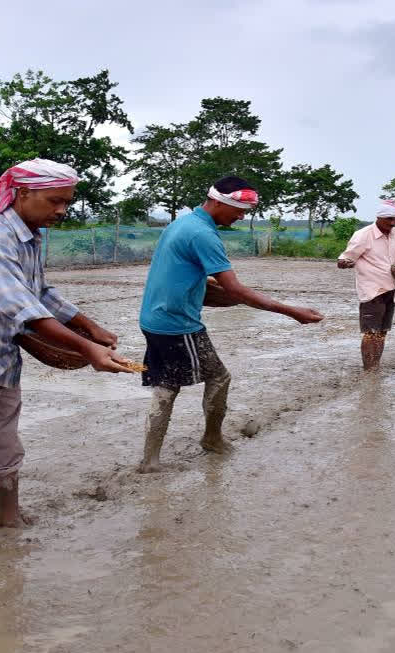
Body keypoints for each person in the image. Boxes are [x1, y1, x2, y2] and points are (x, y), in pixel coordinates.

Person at [0, 158, 132, 558]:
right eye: (55, 201)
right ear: (22, 194)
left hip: (1, 356)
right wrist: (87, 349)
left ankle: (9, 518)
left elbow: (42, 292)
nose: (61, 210)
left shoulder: (30, 237)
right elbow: (25, 309)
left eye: (67, 202)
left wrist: (91, 327)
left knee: (5, 442)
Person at [137, 176, 324, 473]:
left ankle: (150, 459)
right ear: (218, 201)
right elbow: (235, 289)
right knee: (218, 377)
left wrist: (208, 287)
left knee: (166, 384)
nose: (241, 216)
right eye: (239, 210)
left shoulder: (182, 224)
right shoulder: (203, 234)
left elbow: (186, 273)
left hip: (153, 317)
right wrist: (291, 311)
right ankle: (211, 440)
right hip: (178, 323)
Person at [337, 200, 395, 370]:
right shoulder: (363, 235)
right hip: (371, 291)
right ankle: (369, 370)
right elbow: (344, 259)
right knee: (370, 333)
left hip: (390, 289)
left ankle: (375, 366)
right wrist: (346, 263)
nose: (393, 223)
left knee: (382, 332)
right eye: (389, 219)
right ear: (379, 217)